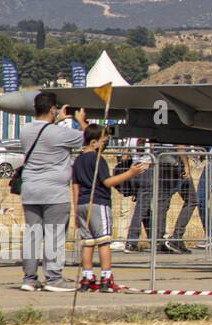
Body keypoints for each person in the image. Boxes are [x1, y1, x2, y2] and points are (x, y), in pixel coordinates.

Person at [16, 91, 86, 292]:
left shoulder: (26, 130)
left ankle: (29, 278)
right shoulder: (61, 133)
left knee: (33, 234)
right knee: (55, 235)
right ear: (53, 109)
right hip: (54, 191)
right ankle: (54, 278)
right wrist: (81, 122)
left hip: (30, 189)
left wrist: (56, 121)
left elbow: (44, 135)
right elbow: (89, 139)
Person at [72, 124, 150, 292]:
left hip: (82, 204)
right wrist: (130, 173)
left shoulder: (78, 160)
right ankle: (106, 277)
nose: (106, 143)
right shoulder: (97, 159)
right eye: (103, 140)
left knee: (87, 242)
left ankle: (87, 277)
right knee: (104, 241)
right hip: (98, 203)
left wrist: (76, 209)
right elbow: (107, 181)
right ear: (94, 142)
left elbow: (75, 186)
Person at [154, 146, 200, 254]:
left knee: (162, 202)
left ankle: (159, 241)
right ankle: (176, 237)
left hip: (161, 159)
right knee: (192, 200)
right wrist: (186, 165)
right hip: (175, 162)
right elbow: (180, 145)